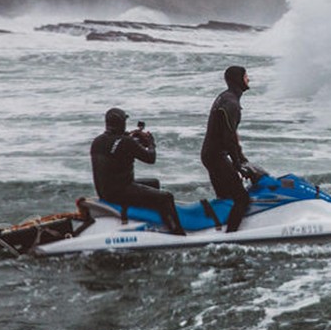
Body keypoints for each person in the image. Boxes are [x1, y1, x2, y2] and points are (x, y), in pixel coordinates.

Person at [90, 107, 185, 235]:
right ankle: (177, 231)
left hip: (105, 191)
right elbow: (151, 158)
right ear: (121, 123)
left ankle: (151, 218)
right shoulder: (126, 142)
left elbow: (115, 147)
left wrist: (131, 137)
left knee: (154, 183)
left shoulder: (97, 141)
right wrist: (151, 143)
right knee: (166, 197)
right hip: (120, 192)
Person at [201, 66, 267, 232]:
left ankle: (217, 230)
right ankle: (231, 236)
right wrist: (237, 164)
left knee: (225, 197)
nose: (248, 79)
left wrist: (242, 159)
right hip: (216, 156)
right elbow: (228, 137)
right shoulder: (231, 103)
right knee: (242, 199)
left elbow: (232, 135)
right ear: (239, 79)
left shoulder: (226, 97)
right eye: (246, 76)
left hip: (211, 154)